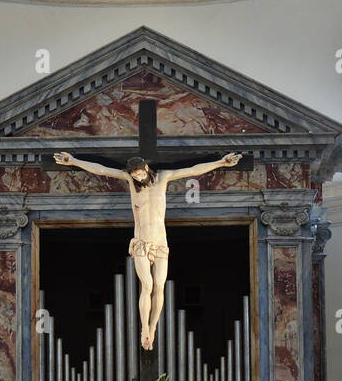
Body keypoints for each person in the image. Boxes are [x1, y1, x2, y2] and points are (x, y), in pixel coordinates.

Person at [53, 148, 242, 349]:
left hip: (161, 245)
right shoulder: (131, 182)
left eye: (140, 173)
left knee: (160, 286)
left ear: (146, 168)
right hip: (141, 243)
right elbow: (101, 170)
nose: (139, 177)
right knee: (147, 285)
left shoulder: (163, 178)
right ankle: (144, 328)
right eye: (135, 175)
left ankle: (153, 328)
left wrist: (221, 163)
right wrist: (74, 161)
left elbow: (192, 170)